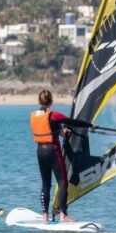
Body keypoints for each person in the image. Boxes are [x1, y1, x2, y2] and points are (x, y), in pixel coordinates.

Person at [30, 89, 95, 222]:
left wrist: (62, 131)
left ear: (38, 102)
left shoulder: (34, 115)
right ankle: (63, 215)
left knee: (45, 184)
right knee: (62, 182)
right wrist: (90, 125)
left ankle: (45, 216)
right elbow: (74, 122)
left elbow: (50, 128)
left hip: (40, 152)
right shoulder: (54, 115)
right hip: (52, 150)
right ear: (51, 102)